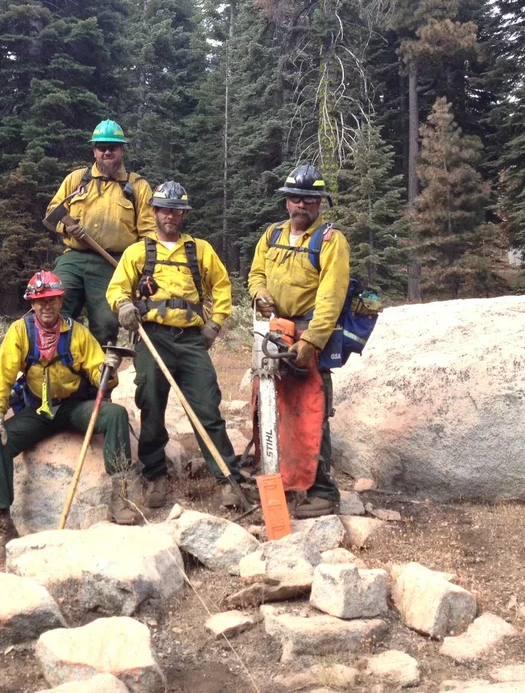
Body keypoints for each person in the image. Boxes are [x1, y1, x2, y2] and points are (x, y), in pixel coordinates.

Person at [106, 182, 250, 509]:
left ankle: (228, 477)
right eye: (163, 209)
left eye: (175, 210)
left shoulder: (199, 250)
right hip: (152, 338)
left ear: (183, 214)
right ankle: (155, 474)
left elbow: (222, 286)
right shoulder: (138, 252)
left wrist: (214, 324)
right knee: (152, 408)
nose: (169, 215)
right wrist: (125, 306)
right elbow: (116, 290)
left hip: (191, 342)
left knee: (207, 407)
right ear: (154, 212)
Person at [0, 270, 138, 546]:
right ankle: (2, 520)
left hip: (73, 408)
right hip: (37, 411)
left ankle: (119, 497)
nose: (46, 306)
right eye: (40, 300)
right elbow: (3, 377)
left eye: (52, 300)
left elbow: (99, 376)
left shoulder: (77, 333)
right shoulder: (20, 332)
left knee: (116, 414)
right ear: (31, 303)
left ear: (60, 301)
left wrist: (109, 371)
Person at [248, 165, 350, 517]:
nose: (301, 205)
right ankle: (277, 477)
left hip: (308, 336)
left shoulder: (331, 241)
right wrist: (259, 292)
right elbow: (256, 272)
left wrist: (313, 342)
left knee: (311, 410)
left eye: (309, 199)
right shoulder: (272, 235)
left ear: (320, 203)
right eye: (295, 198)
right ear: (286, 202)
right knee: (270, 405)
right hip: (275, 332)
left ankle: (322, 489)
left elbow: (331, 296)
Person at [45, 119, 155, 347]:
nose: (107, 152)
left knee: (106, 324)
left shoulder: (138, 186)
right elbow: (52, 211)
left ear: (121, 150)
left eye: (112, 147)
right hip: (73, 258)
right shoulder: (76, 180)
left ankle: (99, 377)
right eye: (101, 147)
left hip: (112, 262)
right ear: (94, 150)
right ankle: (53, 365)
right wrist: (67, 227)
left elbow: (149, 233)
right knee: (52, 305)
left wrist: (140, 270)